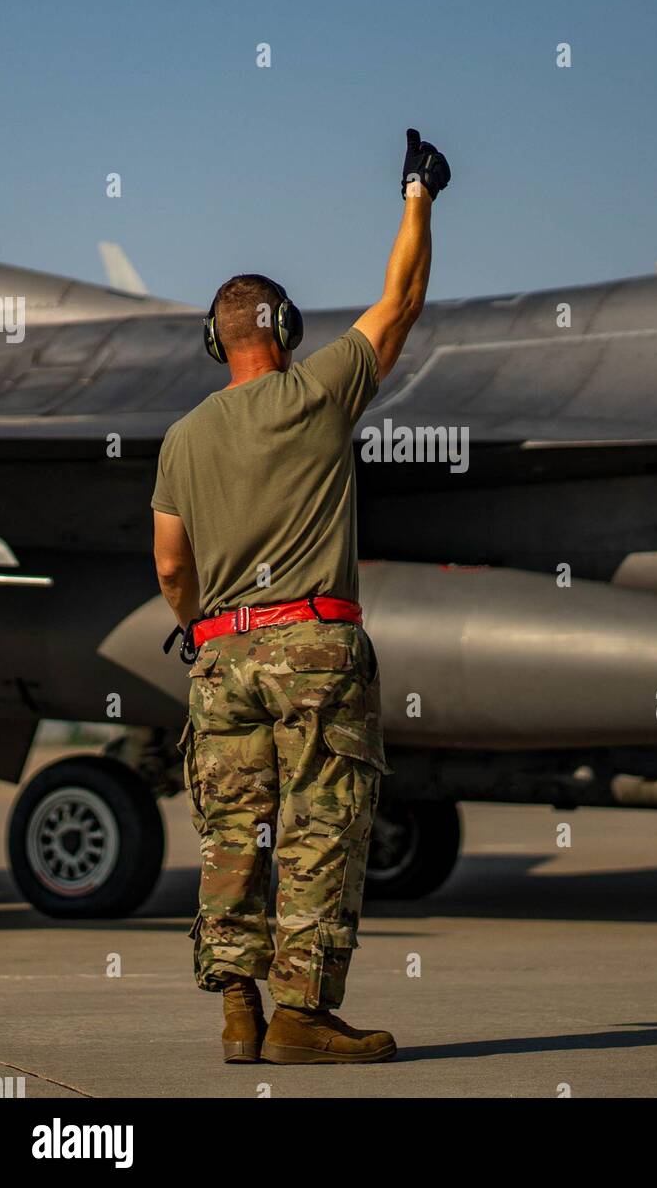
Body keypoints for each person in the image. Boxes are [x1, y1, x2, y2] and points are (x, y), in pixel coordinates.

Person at [151, 128, 451, 1064]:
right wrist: (418, 195)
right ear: (282, 332)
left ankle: (238, 1011)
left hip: (222, 653)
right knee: (322, 825)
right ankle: (302, 1017)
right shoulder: (319, 392)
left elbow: (169, 564)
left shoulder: (181, 438)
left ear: (217, 343)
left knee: (233, 834)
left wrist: (198, 629)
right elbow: (399, 299)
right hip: (314, 649)